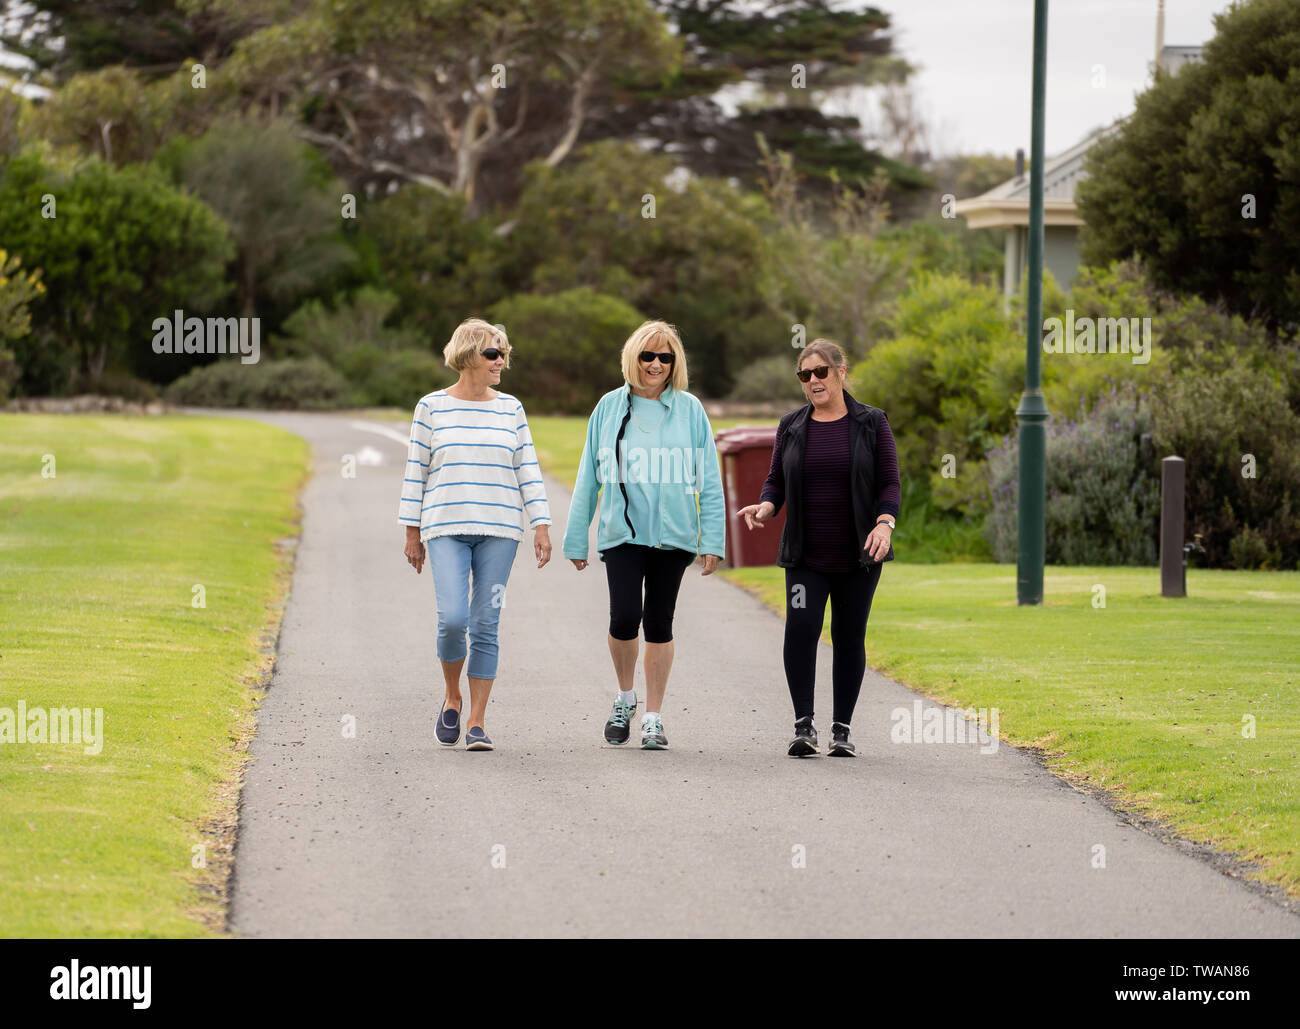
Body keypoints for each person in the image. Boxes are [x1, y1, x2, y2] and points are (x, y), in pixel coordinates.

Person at [563, 320, 725, 750]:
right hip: (622, 534)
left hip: (674, 536)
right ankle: (624, 696)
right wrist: (577, 537)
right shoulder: (609, 407)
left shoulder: (690, 410)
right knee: (623, 618)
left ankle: (653, 716)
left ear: (676, 364)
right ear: (632, 358)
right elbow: (587, 477)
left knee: (659, 623)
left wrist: (713, 540)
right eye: (647, 356)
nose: (656, 364)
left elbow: (709, 479)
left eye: (665, 357)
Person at [735, 339, 900, 758]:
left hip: (858, 556)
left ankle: (841, 729)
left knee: (849, 636)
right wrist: (768, 505)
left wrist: (885, 524)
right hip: (806, 555)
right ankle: (803, 725)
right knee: (802, 629)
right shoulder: (791, 424)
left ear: (841, 372)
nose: (813, 381)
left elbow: (889, 483)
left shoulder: (872, 422)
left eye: (821, 372)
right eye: (805, 375)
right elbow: (776, 480)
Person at [399, 318, 552, 751]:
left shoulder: (511, 409)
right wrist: (412, 533)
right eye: (493, 353)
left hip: (501, 531)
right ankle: (451, 696)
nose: (501, 361)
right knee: (452, 620)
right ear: (467, 356)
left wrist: (541, 524)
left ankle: (477, 722)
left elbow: (528, 469)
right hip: (445, 527)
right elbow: (416, 473)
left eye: (503, 352)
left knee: (486, 622)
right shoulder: (430, 407)